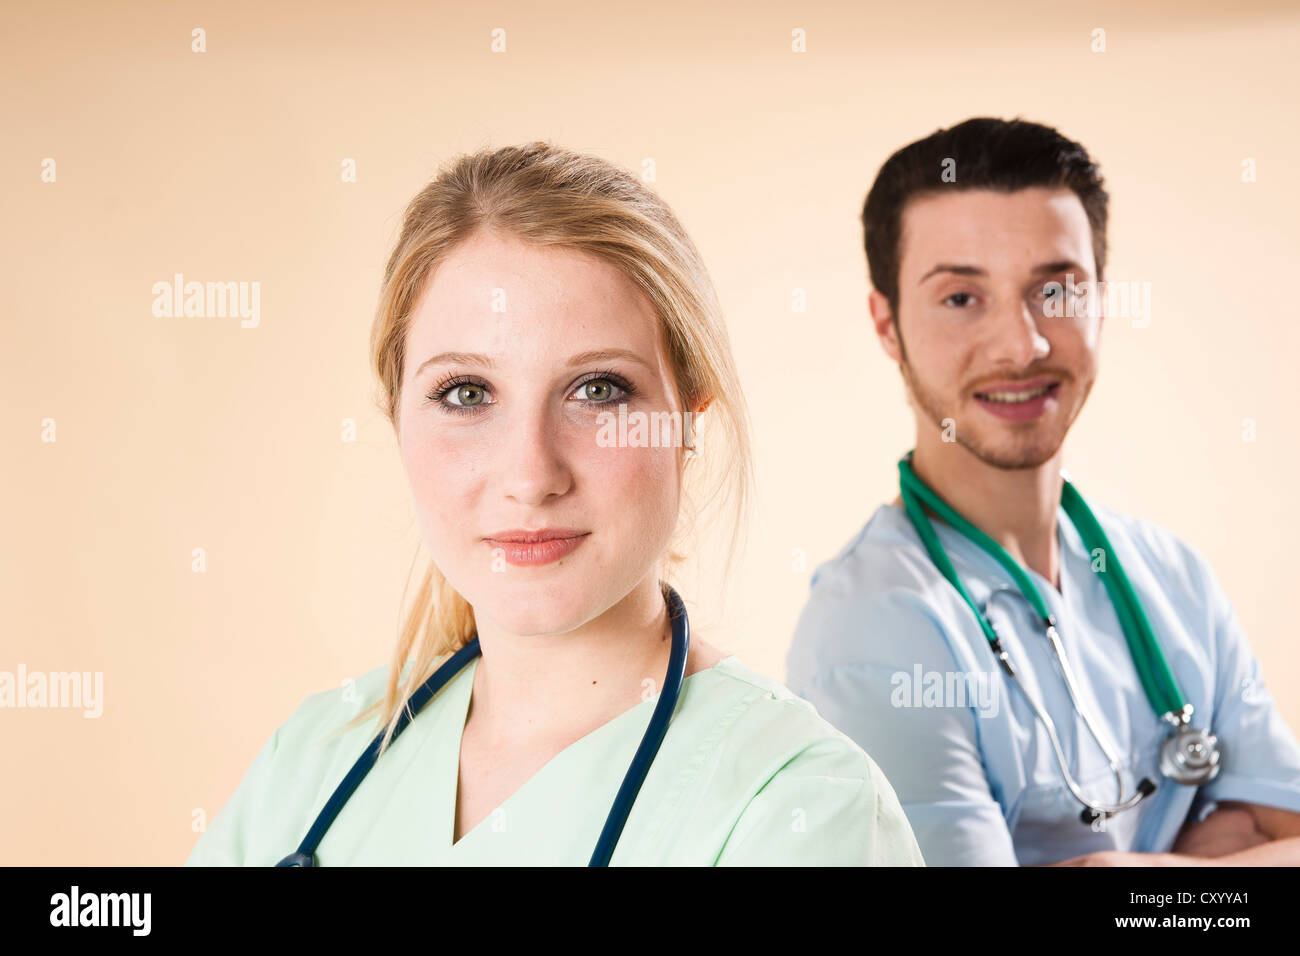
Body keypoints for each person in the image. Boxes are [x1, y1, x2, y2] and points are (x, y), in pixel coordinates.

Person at [187, 142, 923, 866]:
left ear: (688, 419)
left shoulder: (804, 809)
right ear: (396, 418)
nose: (531, 475)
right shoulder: (311, 764)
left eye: (598, 390)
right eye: (466, 394)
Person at [785, 117, 1300, 866]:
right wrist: (1210, 869)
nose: (1021, 345)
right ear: (887, 325)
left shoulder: (1174, 580)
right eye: (962, 298)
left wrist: (1118, 874)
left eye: (1054, 290)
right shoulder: (874, 631)